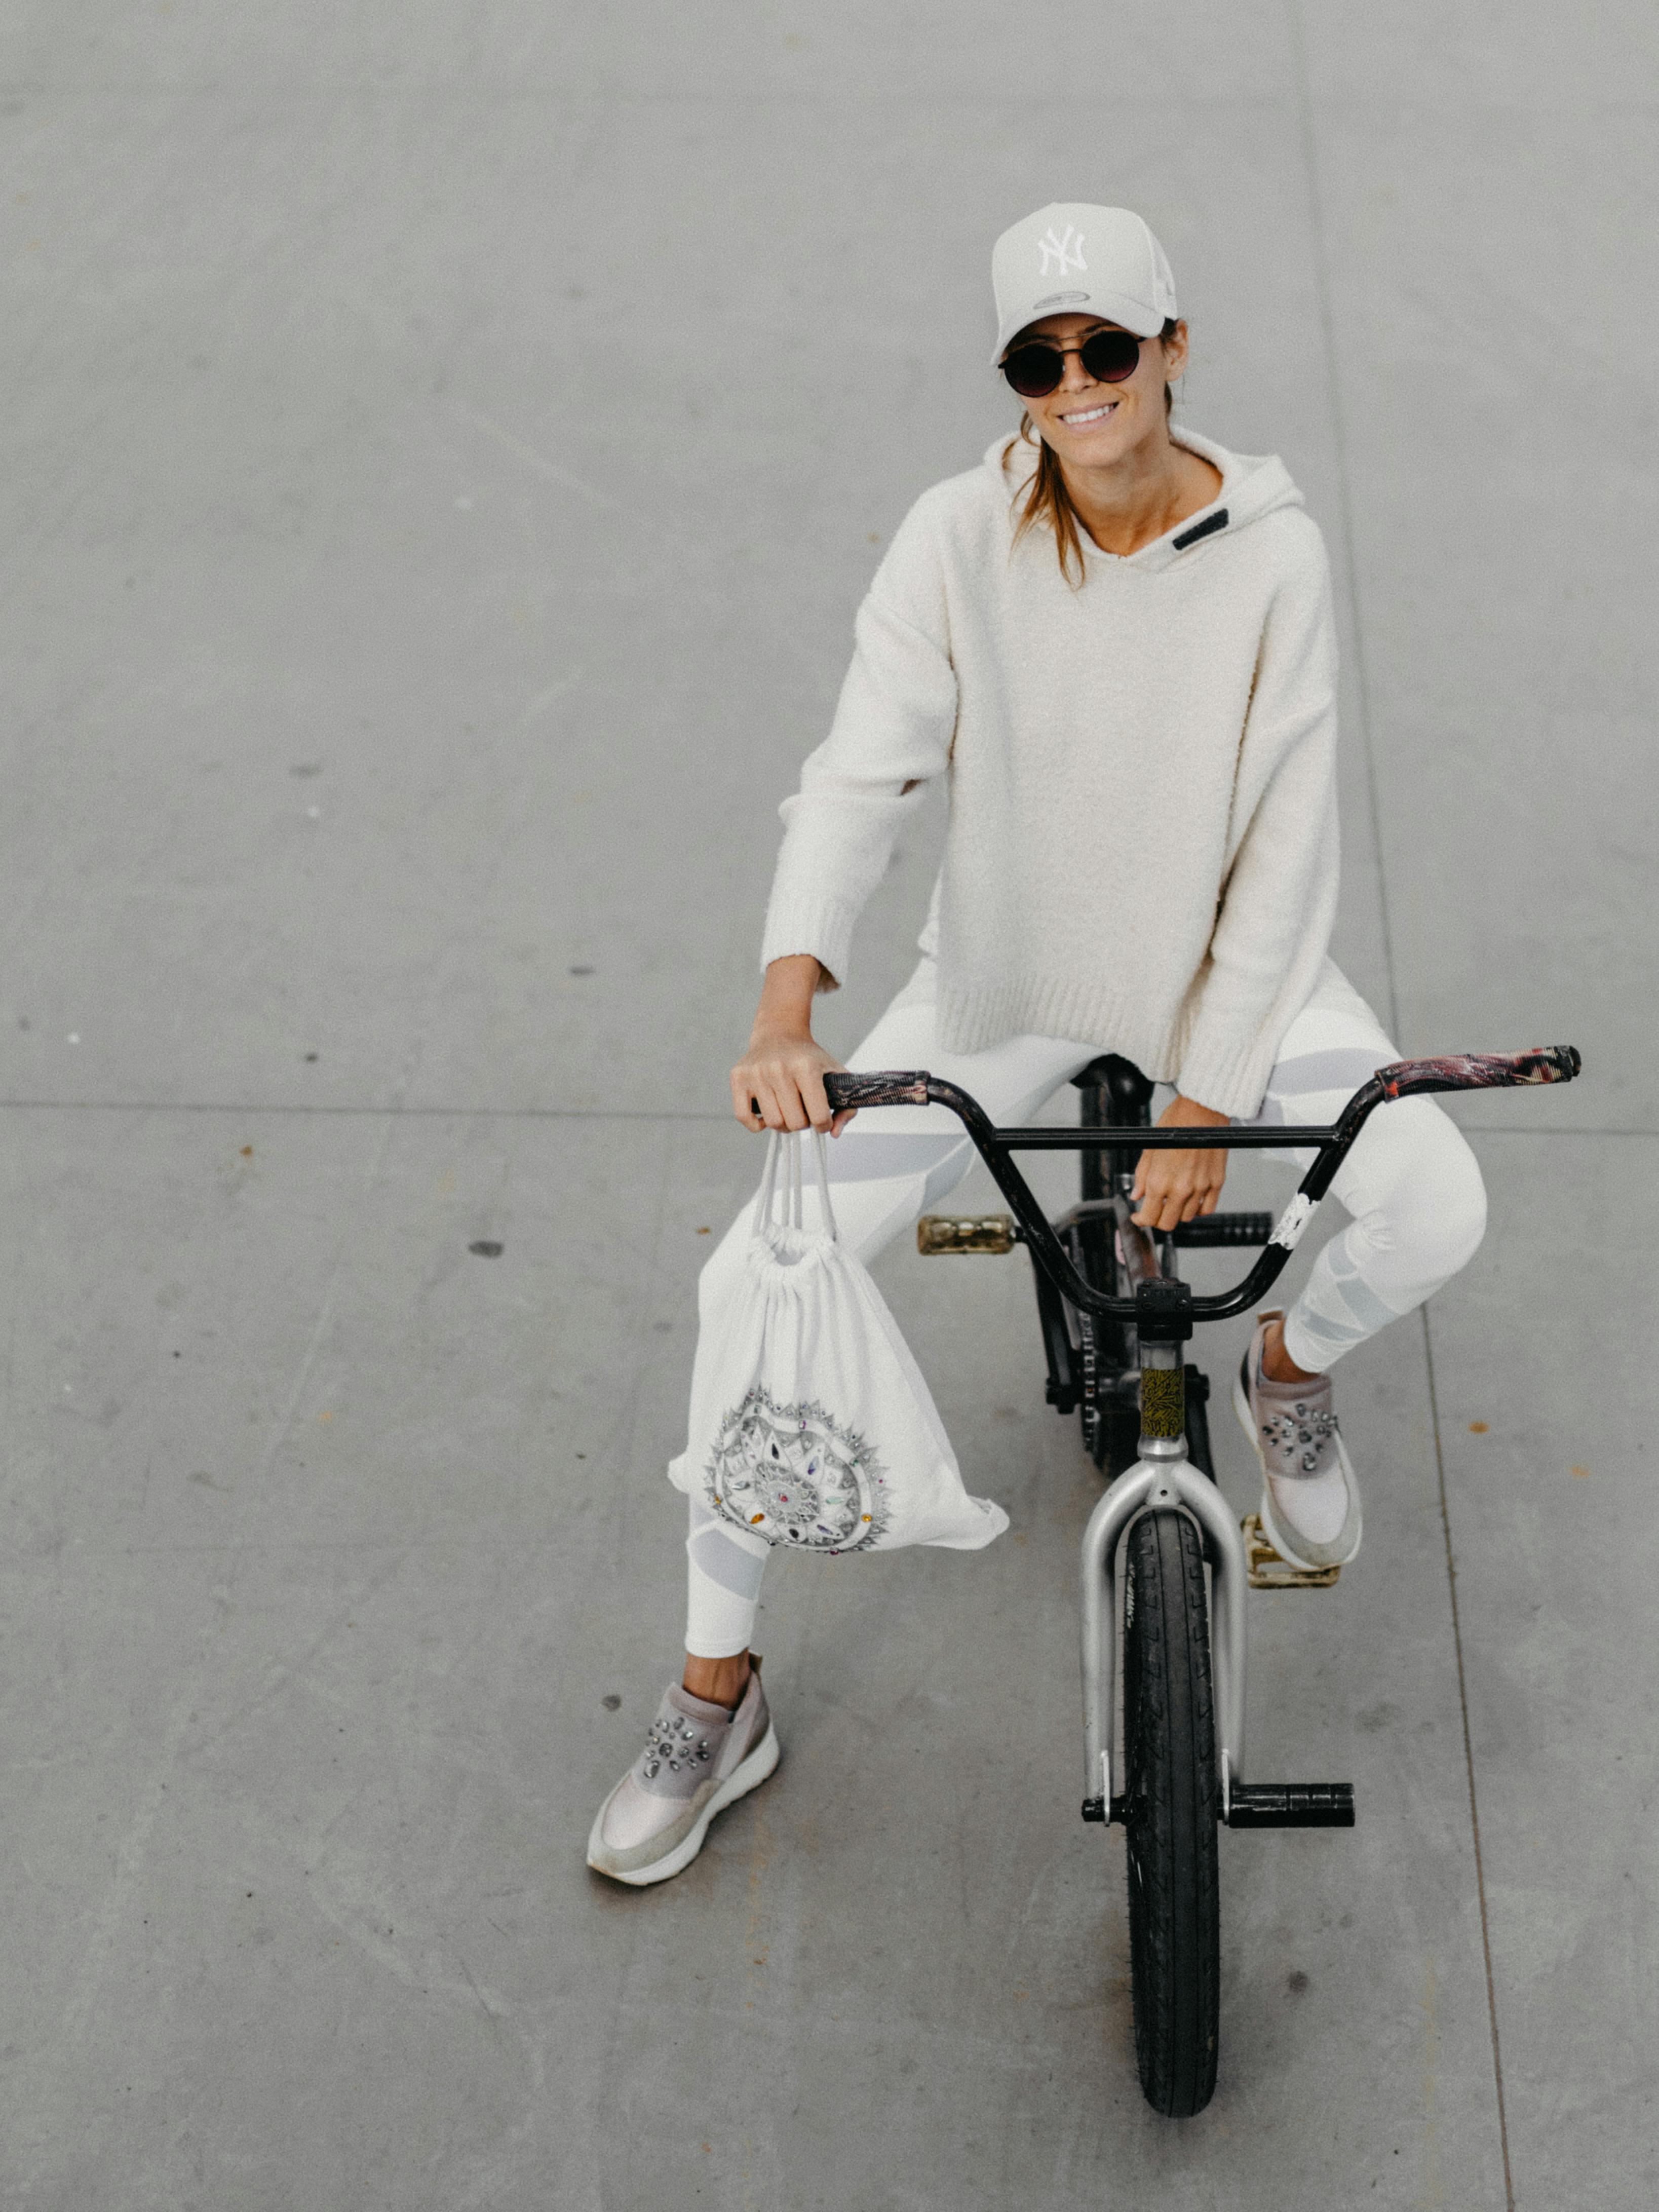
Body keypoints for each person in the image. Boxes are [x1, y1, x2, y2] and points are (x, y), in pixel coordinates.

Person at [588, 203, 1486, 1887]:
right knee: (750, 1283)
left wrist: (1215, 1090)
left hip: (1239, 978)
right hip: (1003, 982)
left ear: (1172, 348)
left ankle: (1286, 1380)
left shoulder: (1273, 554)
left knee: (1437, 1207)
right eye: (1037, 360)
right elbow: (859, 774)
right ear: (1011, 380)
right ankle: (719, 1692)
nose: (1076, 386)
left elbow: (1288, 850)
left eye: (1106, 350)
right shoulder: (953, 535)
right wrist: (790, 1004)